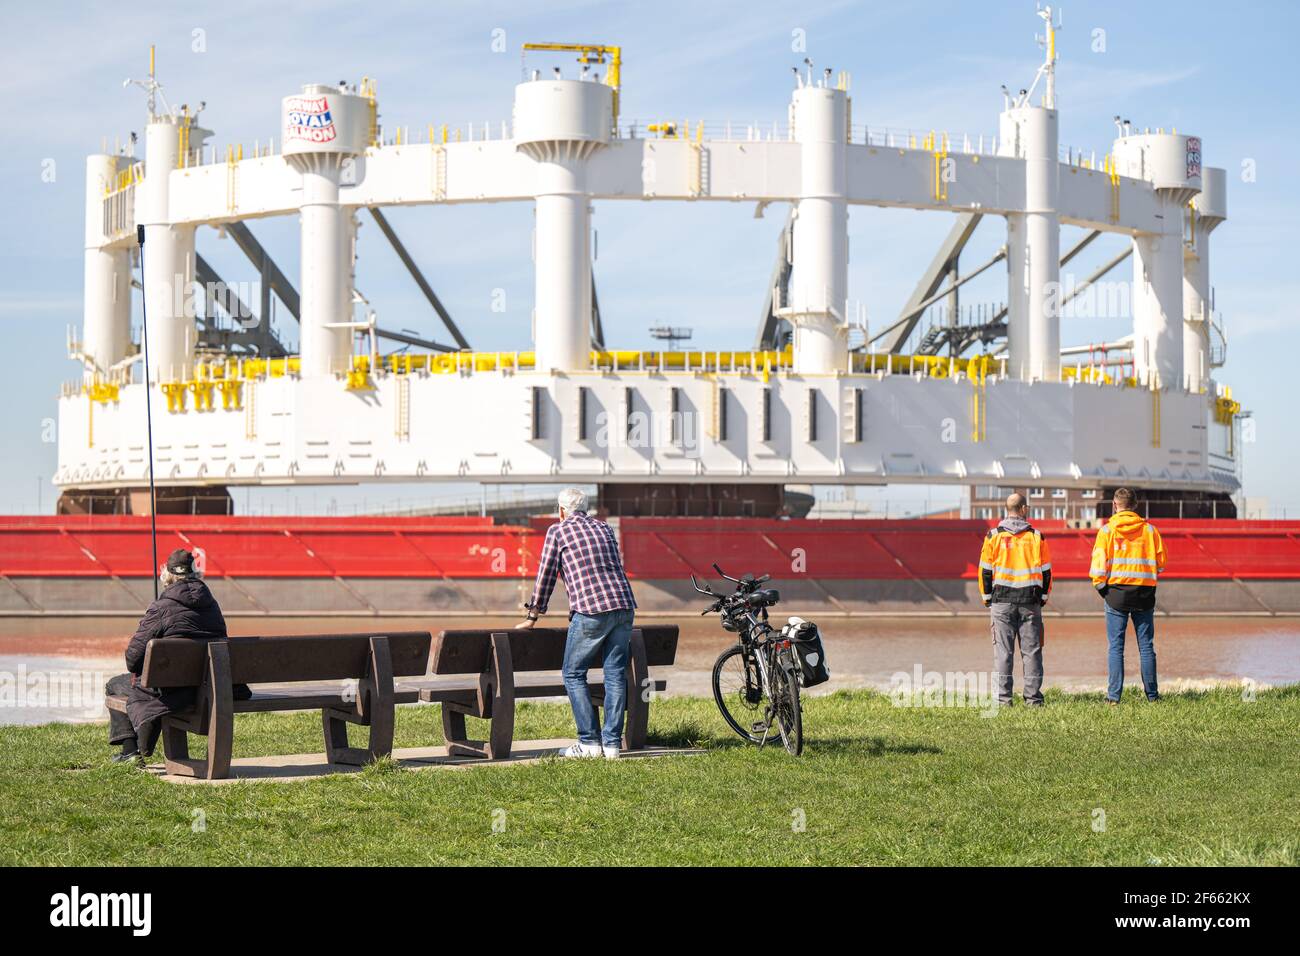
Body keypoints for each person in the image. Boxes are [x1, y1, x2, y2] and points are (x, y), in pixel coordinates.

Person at [517, 488, 637, 759]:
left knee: (573, 674)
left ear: (561, 511)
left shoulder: (557, 531)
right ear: (587, 508)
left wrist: (533, 614)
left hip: (591, 609)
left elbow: (546, 573)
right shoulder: (605, 528)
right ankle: (612, 745)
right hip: (624, 604)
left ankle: (589, 743)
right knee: (615, 674)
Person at [105, 548, 237, 763]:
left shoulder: (161, 607)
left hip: (170, 691)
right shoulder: (212, 605)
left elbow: (132, 660)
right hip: (205, 689)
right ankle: (141, 741)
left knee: (115, 685)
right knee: (156, 682)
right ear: (195, 573)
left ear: (166, 575)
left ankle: (130, 752)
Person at [1091, 488, 1166, 703]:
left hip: (1115, 595)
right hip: (1144, 594)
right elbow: (1161, 564)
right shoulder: (1150, 531)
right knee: (1146, 647)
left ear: (1115, 505)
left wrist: (1103, 590)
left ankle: (1113, 698)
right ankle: (1152, 696)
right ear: (1135, 506)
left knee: (1116, 647)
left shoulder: (1106, 531)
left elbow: (1098, 569)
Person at [978, 492, 1052, 706]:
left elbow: (985, 571)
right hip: (1030, 601)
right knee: (1032, 652)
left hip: (1001, 602)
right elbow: (1046, 572)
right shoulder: (1037, 537)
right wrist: (1043, 597)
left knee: (1003, 653)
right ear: (1023, 509)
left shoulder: (994, 536)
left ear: (1007, 509)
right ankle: (1033, 700)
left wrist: (987, 599)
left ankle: (1003, 700)